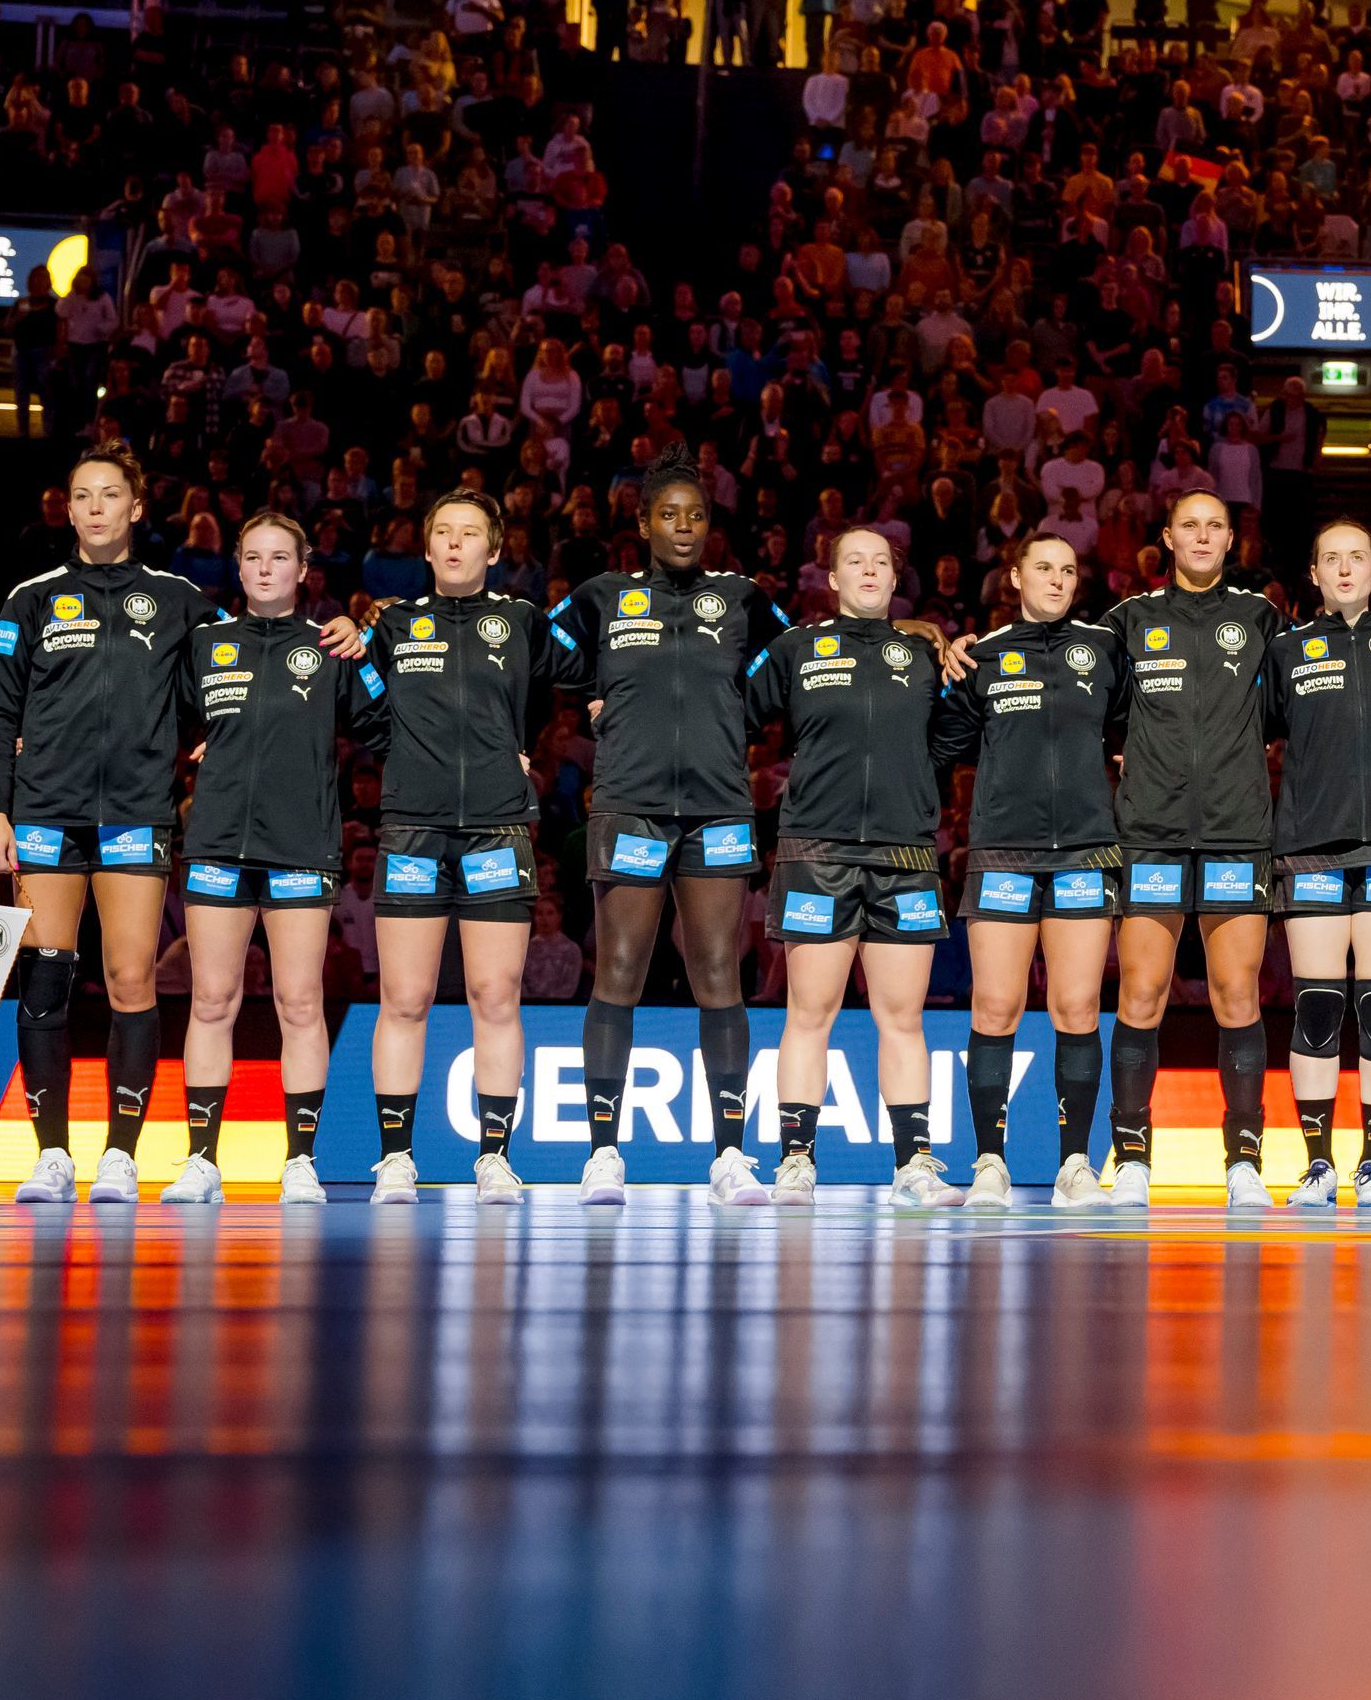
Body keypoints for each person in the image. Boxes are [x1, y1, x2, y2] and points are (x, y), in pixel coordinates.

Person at [547, 452, 792, 1207]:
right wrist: (592, 699)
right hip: (630, 801)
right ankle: (603, 1154)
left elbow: (797, 662)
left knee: (719, 970)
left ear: (710, 526)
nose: (684, 527)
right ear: (644, 522)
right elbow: (535, 651)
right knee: (618, 966)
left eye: (697, 515)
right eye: (669, 515)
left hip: (719, 803)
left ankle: (728, 1155)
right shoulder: (602, 597)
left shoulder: (744, 597)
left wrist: (728, 726)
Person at [0, 449, 219, 1204]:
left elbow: (235, 673)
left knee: (129, 975)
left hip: (137, 812)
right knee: (45, 977)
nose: (94, 507)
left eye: (109, 494)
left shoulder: (180, 598)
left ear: (137, 507)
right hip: (46, 810)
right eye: (82, 496)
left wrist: (219, 726)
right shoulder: (31, 598)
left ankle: (121, 1153)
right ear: (70, 511)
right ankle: (52, 1156)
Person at [168, 513, 387, 1205]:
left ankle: (300, 1159)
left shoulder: (329, 645)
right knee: (211, 999)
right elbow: (158, 721)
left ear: (303, 570)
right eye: (253, 557)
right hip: (217, 842)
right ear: (238, 567)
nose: (265, 568)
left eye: (279, 557)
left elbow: (382, 723)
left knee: (299, 1000)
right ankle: (201, 1159)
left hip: (301, 845)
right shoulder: (206, 643)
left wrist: (368, 647)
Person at [746, 524, 954, 1207]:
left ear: (896, 579)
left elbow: (963, 733)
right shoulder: (798, 649)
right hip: (818, 851)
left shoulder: (926, 654)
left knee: (903, 1016)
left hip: (905, 854)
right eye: (853, 561)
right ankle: (796, 1161)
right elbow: (731, 712)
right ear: (830, 579)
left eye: (881, 562)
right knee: (810, 1012)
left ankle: (914, 1165)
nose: (868, 570)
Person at [354, 491, 553, 1202]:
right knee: (404, 996)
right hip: (412, 825)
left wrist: (518, 749)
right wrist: (408, 755)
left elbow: (562, 686)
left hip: (498, 826)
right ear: (428, 548)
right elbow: (362, 701)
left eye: (471, 533)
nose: (456, 543)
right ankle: (397, 1158)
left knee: (495, 995)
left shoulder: (524, 621)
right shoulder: (393, 625)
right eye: (443, 532)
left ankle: (494, 1156)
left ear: (495, 550)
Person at [932, 535, 1131, 1209]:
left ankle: (1076, 1163)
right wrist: (938, 656)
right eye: (1043, 567)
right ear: (1014, 575)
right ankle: (990, 1160)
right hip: (1003, 851)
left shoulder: (1104, 648)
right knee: (995, 1006)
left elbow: (1139, 729)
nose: (1057, 578)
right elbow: (940, 741)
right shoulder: (983, 655)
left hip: (1084, 850)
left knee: (1075, 1008)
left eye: (1069, 569)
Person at [1100, 490, 1283, 1209]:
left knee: (1237, 994)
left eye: (1216, 526)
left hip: (1238, 829)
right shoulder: (1129, 621)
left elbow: (1291, 702)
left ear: (1231, 540)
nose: (1202, 536)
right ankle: (1132, 1159)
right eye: (1190, 525)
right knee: (1141, 993)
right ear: (1167, 538)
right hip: (1151, 831)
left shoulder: (1261, 618)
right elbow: (1099, 707)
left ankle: (1243, 1159)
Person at [1269, 518, 1371, 1214]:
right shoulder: (1286, 652)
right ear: (1314, 574)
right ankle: (1317, 1166)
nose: (1343, 569)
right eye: (1330, 559)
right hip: (1311, 844)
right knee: (1315, 1005)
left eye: (1356, 558)